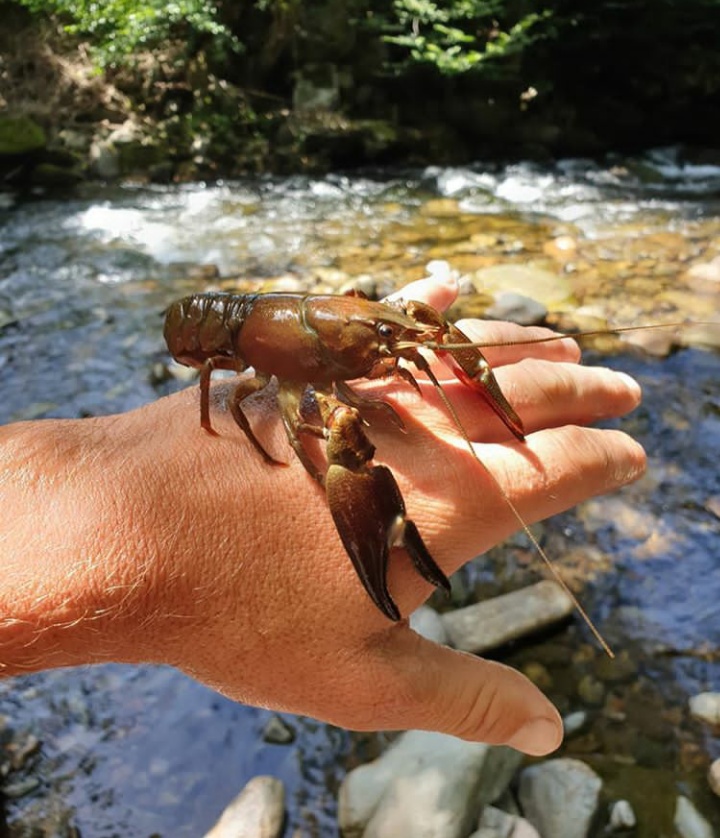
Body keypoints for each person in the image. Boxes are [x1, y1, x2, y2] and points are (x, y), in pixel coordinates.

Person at [0, 273, 645, 756]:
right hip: (217, 322)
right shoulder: (265, 376)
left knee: (419, 325)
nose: (397, 345)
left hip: (291, 318)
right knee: (338, 441)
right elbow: (278, 418)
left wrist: (390, 325)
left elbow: (409, 322)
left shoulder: (357, 321)